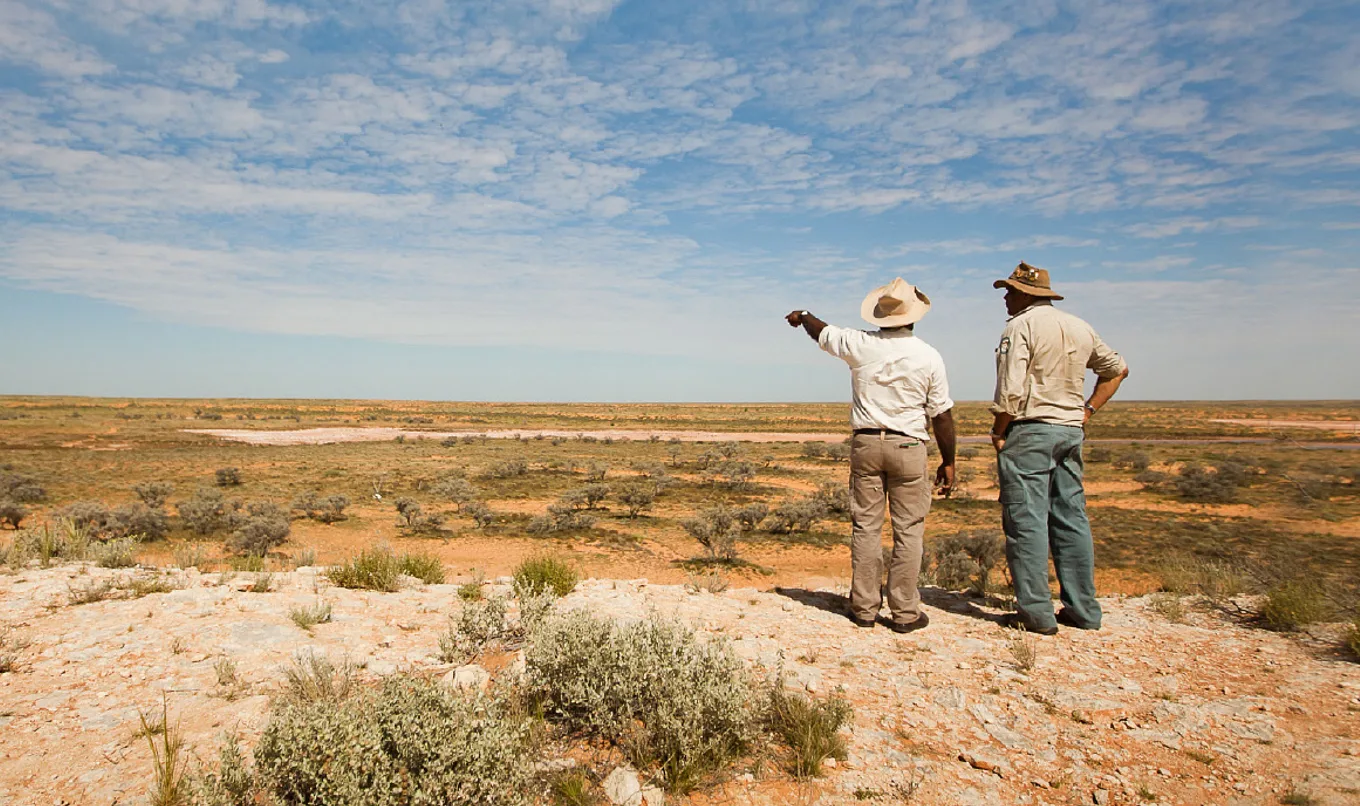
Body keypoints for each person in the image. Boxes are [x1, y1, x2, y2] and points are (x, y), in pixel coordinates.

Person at [786, 278, 956, 633]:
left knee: (866, 525)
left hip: (866, 443)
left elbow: (822, 331)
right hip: (909, 445)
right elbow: (941, 414)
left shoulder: (860, 344)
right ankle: (905, 612)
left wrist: (802, 315)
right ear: (914, 316)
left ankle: (864, 607)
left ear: (880, 315)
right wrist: (949, 459)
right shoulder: (929, 355)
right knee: (909, 530)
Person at [989, 262, 1129, 635]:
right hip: (1069, 430)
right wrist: (1088, 410)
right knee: (1071, 517)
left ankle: (1035, 614)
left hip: (1031, 429)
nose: (1005, 296)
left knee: (1026, 521)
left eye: (1010, 290)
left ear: (1026, 294)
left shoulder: (1019, 327)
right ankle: (1084, 610)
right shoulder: (1079, 326)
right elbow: (1117, 370)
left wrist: (999, 431)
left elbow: (1010, 389)